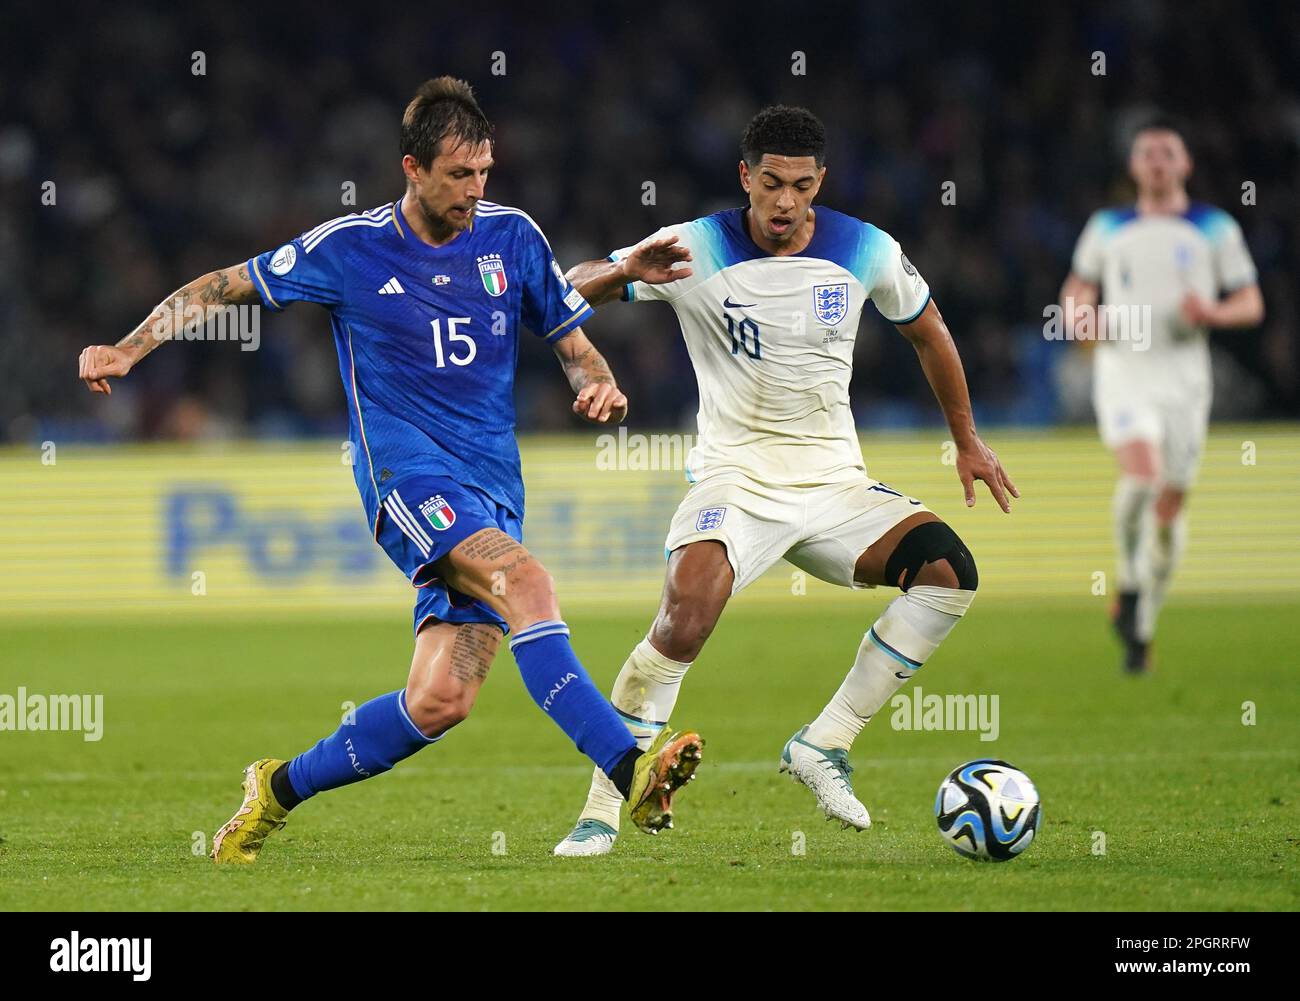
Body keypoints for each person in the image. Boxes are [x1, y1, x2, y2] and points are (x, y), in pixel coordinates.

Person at [77, 77, 703, 864]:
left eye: (484, 173)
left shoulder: (512, 237)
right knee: (529, 585)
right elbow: (222, 285)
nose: (475, 191)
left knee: (440, 700)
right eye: (457, 175)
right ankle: (630, 763)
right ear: (412, 167)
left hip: (492, 490)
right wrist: (129, 349)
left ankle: (275, 788)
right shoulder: (351, 248)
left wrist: (598, 384)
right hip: (409, 481)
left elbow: (574, 344)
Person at [552, 104, 1016, 856]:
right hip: (735, 480)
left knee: (950, 572)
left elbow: (929, 330)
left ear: (820, 181)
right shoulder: (694, 246)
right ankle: (602, 808)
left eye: (801, 185)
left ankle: (823, 744)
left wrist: (966, 440)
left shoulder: (865, 248)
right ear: (746, 177)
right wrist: (620, 274)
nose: (785, 201)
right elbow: (565, 288)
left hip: (835, 485)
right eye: (770, 183)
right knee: (686, 616)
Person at [1059, 119, 1263, 672]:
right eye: (1145, 153)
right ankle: (1128, 584)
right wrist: (1079, 316)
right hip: (1125, 369)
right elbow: (1078, 288)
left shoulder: (1213, 227)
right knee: (1143, 477)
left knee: (1170, 513)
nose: (1155, 161)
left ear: (1185, 165)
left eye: (1166, 153)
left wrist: (1214, 312)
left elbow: (1251, 302)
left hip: (1184, 379)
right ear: (1133, 167)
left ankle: (1141, 626)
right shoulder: (1107, 225)